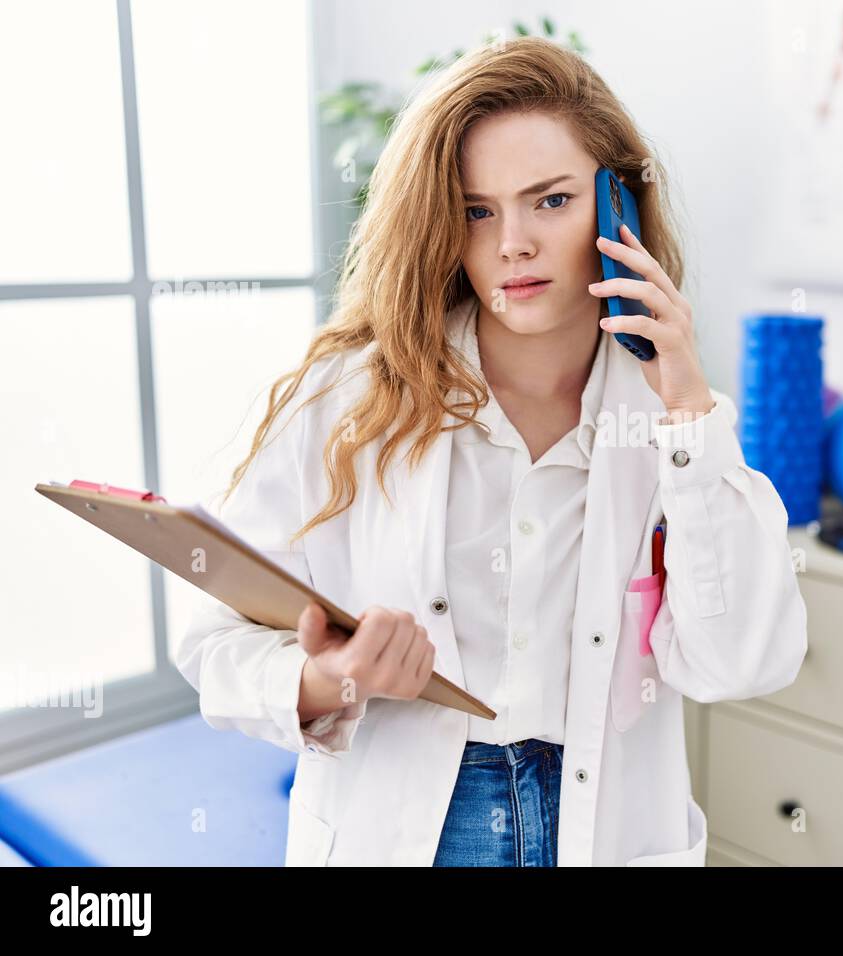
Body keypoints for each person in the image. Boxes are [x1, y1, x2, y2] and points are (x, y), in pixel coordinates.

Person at [176, 36, 807, 867]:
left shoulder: (675, 423)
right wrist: (333, 680)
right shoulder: (348, 397)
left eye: (550, 201)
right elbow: (210, 639)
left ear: (618, 205)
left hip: (601, 826)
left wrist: (688, 408)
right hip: (410, 828)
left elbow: (741, 662)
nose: (513, 243)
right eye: (478, 210)